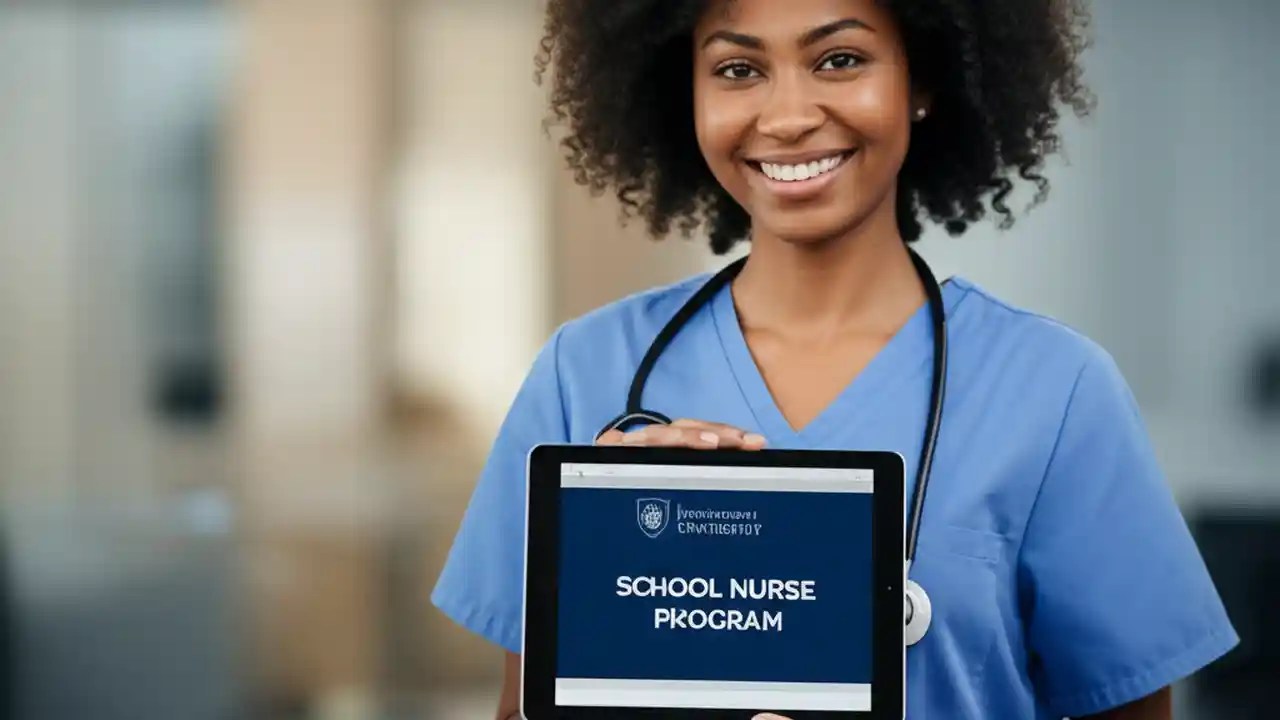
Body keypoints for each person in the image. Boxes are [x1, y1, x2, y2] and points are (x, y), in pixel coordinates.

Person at [431, 0, 1239, 717]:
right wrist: (601, 568)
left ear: (922, 79)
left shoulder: (1056, 391)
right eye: (738, 68)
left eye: (839, 59)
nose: (786, 115)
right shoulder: (585, 373)